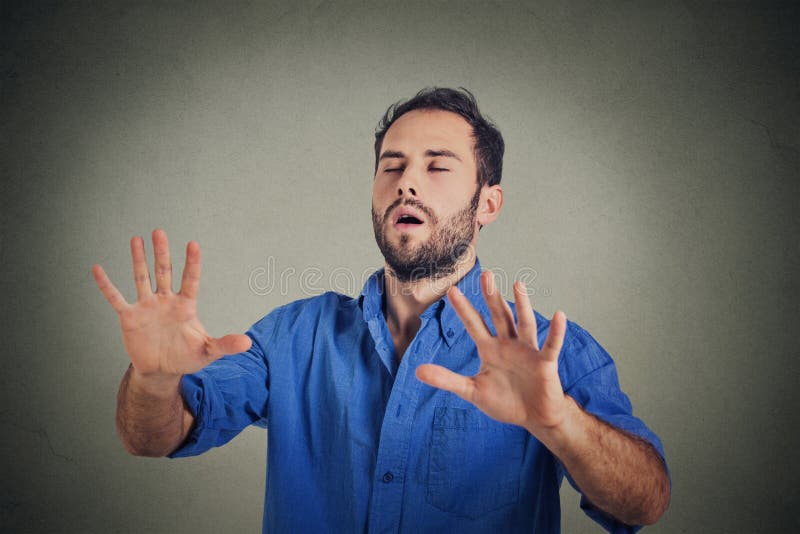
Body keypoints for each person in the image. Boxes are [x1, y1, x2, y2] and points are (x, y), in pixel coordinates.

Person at [92, 88, 670, 533]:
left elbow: (645, 501)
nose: (406, 184)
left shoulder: (548, 352)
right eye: (391, 166)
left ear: (487, 204)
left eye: (437, 166)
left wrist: (559, 423)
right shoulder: (295, 337)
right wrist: (153, 379)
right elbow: (153, 436)